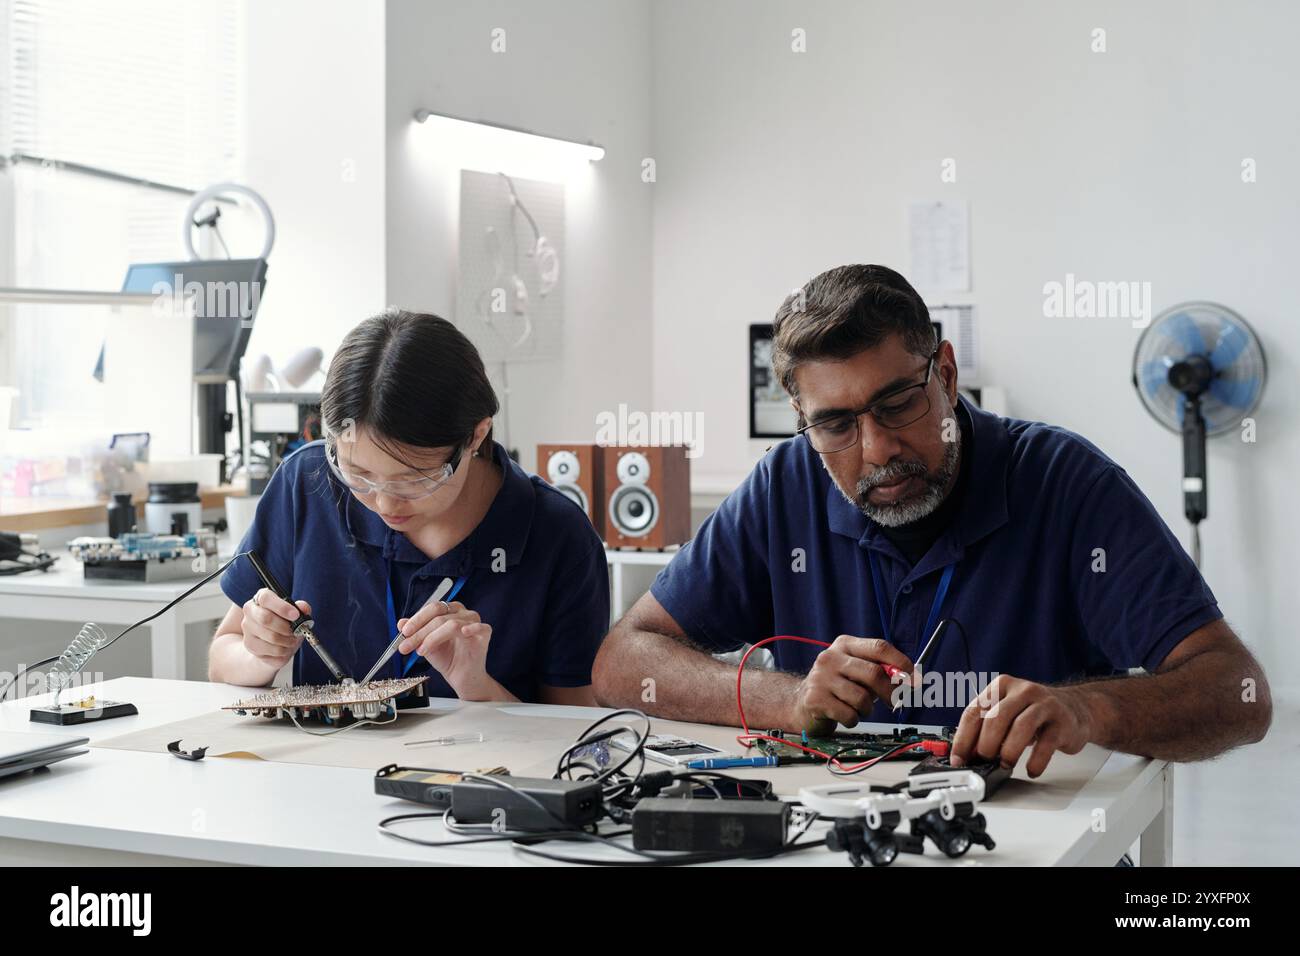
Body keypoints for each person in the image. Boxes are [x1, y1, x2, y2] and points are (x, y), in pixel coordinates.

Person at [592, 264, 1271, 775]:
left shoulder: (1066, 483)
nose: (877, 449)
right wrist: (787, 701)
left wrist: (1087, 710)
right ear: (804, 423)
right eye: (835, 424)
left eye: (897, 404)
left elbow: (1239, 693)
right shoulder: (784, 486)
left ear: (945, 374)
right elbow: (623, 660)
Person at [211, 309, 608, 704]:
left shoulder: (557, 534)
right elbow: (221, 657)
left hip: (477, 766)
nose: (384, 503)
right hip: (322, 764)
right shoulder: (306, 482)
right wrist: (259, 652)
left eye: (414, 479)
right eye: (358, 474)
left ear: (475, 436)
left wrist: (475, 684)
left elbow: (572, 735)